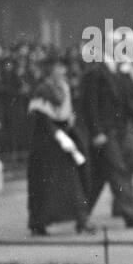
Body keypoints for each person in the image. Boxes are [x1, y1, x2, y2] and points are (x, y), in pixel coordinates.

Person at [26, 56, 92, 237]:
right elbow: (43, 119)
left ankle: (81, 220)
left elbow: (67, 113)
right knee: (44, 187)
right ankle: (38, 223)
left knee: (74, 182)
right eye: (58, 68)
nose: (62, 71)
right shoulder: (43, 89)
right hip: (47, 144)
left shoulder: (64, 87)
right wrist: (60, 136)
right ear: (50, 71)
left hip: (63, 140)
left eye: (63, 67)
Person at [82, 56, 133, 228]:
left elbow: (126, 103)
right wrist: (97, 132)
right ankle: (130, 215)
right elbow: (90, 105)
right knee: (117, 169)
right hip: (106, 132)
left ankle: (81, 214)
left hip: (120, 130)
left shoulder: (118, 73)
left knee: (106, 172)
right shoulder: (95, 73)